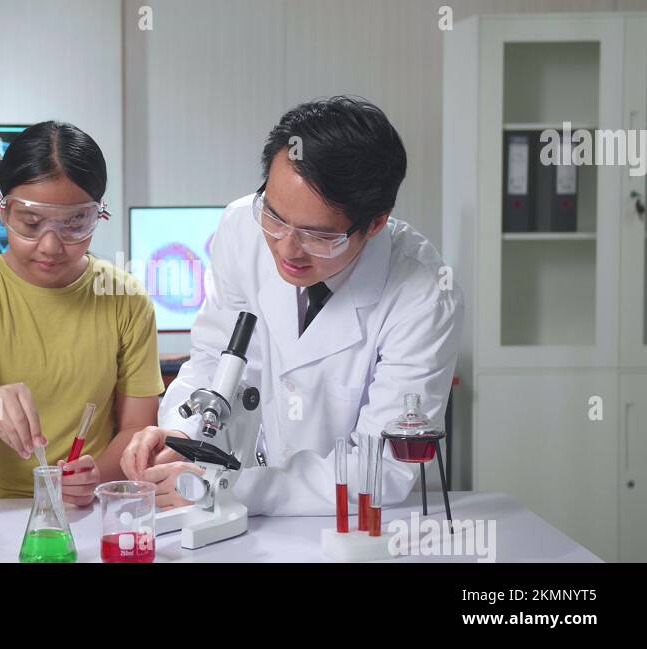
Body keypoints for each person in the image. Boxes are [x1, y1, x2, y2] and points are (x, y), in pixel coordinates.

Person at [121, 96, 464, 515]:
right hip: (248, 514)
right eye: (275, 216)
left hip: (359, 518)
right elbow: (213, 361)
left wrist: (234, 489)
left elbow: (385, 467)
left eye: (319, 236)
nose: (287, 249)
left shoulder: (424, 292)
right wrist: (178, 440)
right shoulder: (240, 227)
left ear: (375, 223)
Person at [0, 121, 164, 505]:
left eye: (74, 224)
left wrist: (97, 474)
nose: (50, 245)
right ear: (3, 212)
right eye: (31, 223)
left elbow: (136, 427)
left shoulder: (125, 299)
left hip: (87, 508)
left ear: (98, 217)